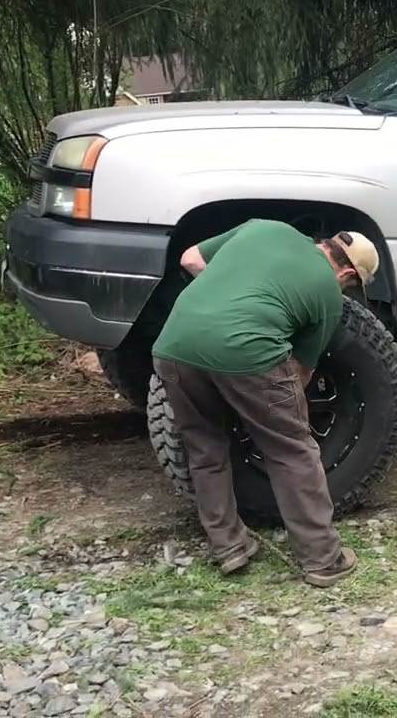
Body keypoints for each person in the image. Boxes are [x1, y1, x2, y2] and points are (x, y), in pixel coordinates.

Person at [150, 218, 380, 588]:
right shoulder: (327, 295)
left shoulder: (265, 228)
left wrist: (227, 301)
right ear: (348, 272)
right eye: (352, 285)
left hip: (174, 345)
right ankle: (322, 559)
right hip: (246, 352)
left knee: (205, 448)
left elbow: (191, 259)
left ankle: (228, 547)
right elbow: (300, 373)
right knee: (292, 450)